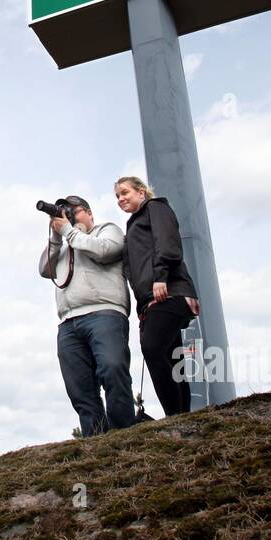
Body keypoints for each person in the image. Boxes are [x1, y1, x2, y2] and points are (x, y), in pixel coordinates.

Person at [38, 195, 136, 437]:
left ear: (90, 213)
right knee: (80, 388)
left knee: (113, 370)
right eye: (66, 213)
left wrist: (70, 231)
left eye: (76, 211)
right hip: (68, 323)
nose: (71, 217)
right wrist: (55, 236)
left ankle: (124, 434)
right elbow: (45, 270)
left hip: (104, 312)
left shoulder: (106, 230)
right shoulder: (64, 245)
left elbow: (105, 250)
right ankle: (96, 441)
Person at [117, 176, 199, 417]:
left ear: (142, 192)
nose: (121, 199)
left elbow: (167, 242)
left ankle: (174, 415)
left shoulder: (156, 208)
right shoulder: (134, 223)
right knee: (172, 356)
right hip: (151, 300)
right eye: (117, 196)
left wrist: (160, 276)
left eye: (125, 192)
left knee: (152, 348)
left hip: (169, 291)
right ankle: (184, 415)